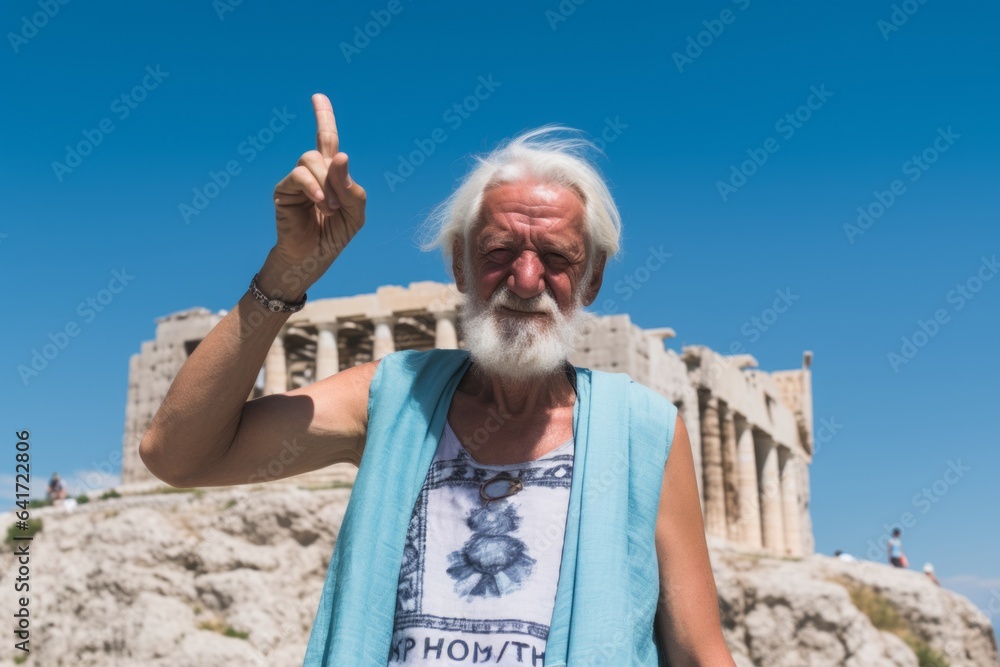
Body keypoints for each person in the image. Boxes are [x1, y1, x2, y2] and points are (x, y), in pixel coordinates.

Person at [139, 93, 736, 666]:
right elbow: (179, 456)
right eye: (500, 250)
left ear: (593, 280)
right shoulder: (391, 401)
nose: (526, 281)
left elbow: (698, 650)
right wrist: (288, 272)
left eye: (557, 258)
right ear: (459, 263)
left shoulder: (643, 433)